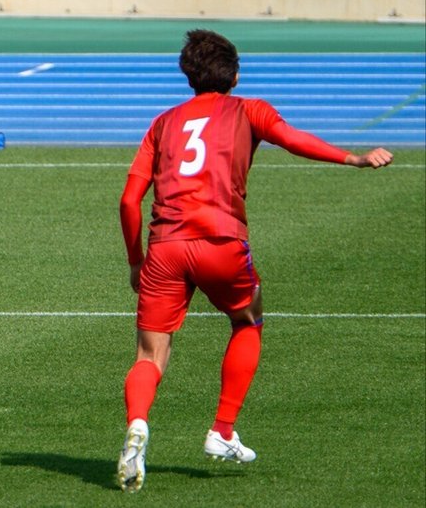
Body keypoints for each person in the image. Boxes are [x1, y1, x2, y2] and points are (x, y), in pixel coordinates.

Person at [114, 30, 393, 493]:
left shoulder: (163, 123)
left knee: (150, 353)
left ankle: (138, 426)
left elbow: (128, 201)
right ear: (235, 75)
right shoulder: (248, 110)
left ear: (188, 77)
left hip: (164, 248)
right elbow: (292, 139)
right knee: (248, 321)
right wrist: (353, 159)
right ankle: (222, 431)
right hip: (221, 242)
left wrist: (134, 261)